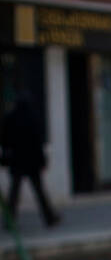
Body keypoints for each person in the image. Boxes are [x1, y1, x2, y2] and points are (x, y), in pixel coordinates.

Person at [0, 93, 60, 227]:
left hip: (16, 161)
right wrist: (43, 161)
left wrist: (5, 159)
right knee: (39, 192)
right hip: (31, 162)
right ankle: (49, 218)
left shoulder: (10, 119)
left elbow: (5, 141)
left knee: (14, 193)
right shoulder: (31, 118)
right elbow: (37, 142)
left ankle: (10, 221)